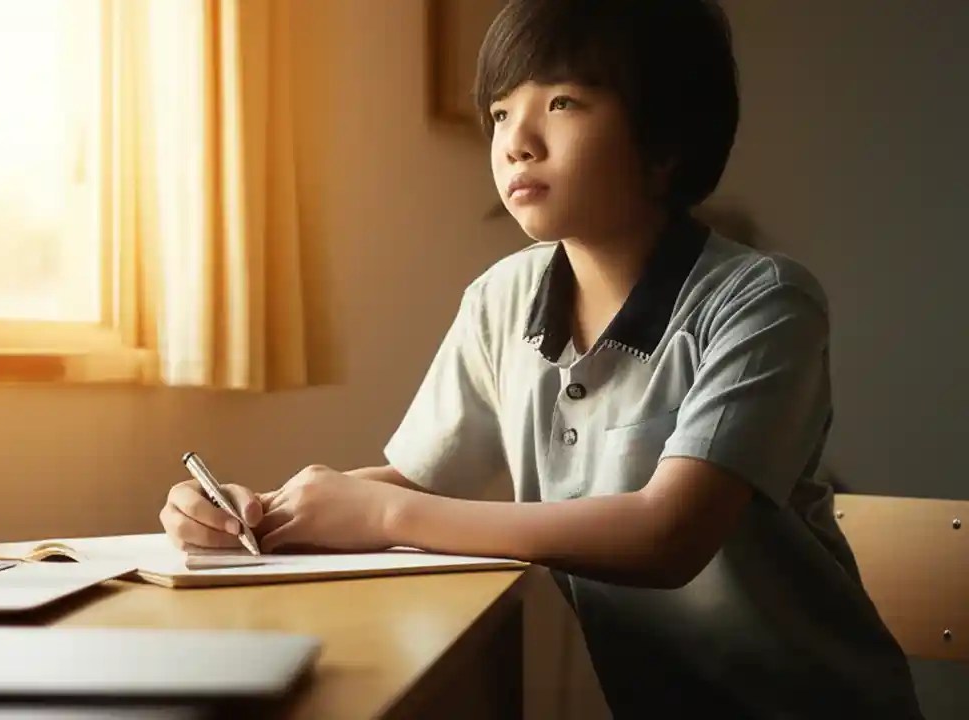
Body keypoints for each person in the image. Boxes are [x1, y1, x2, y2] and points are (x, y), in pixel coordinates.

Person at [159, 1, 922, 715]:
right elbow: (418, 482)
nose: (515, 139)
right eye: (499, 112)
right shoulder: (501, 300)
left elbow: (667, 536)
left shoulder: (763, 301)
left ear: (667, 140)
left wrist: (387, 512)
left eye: (562, 102)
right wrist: (254, 512)